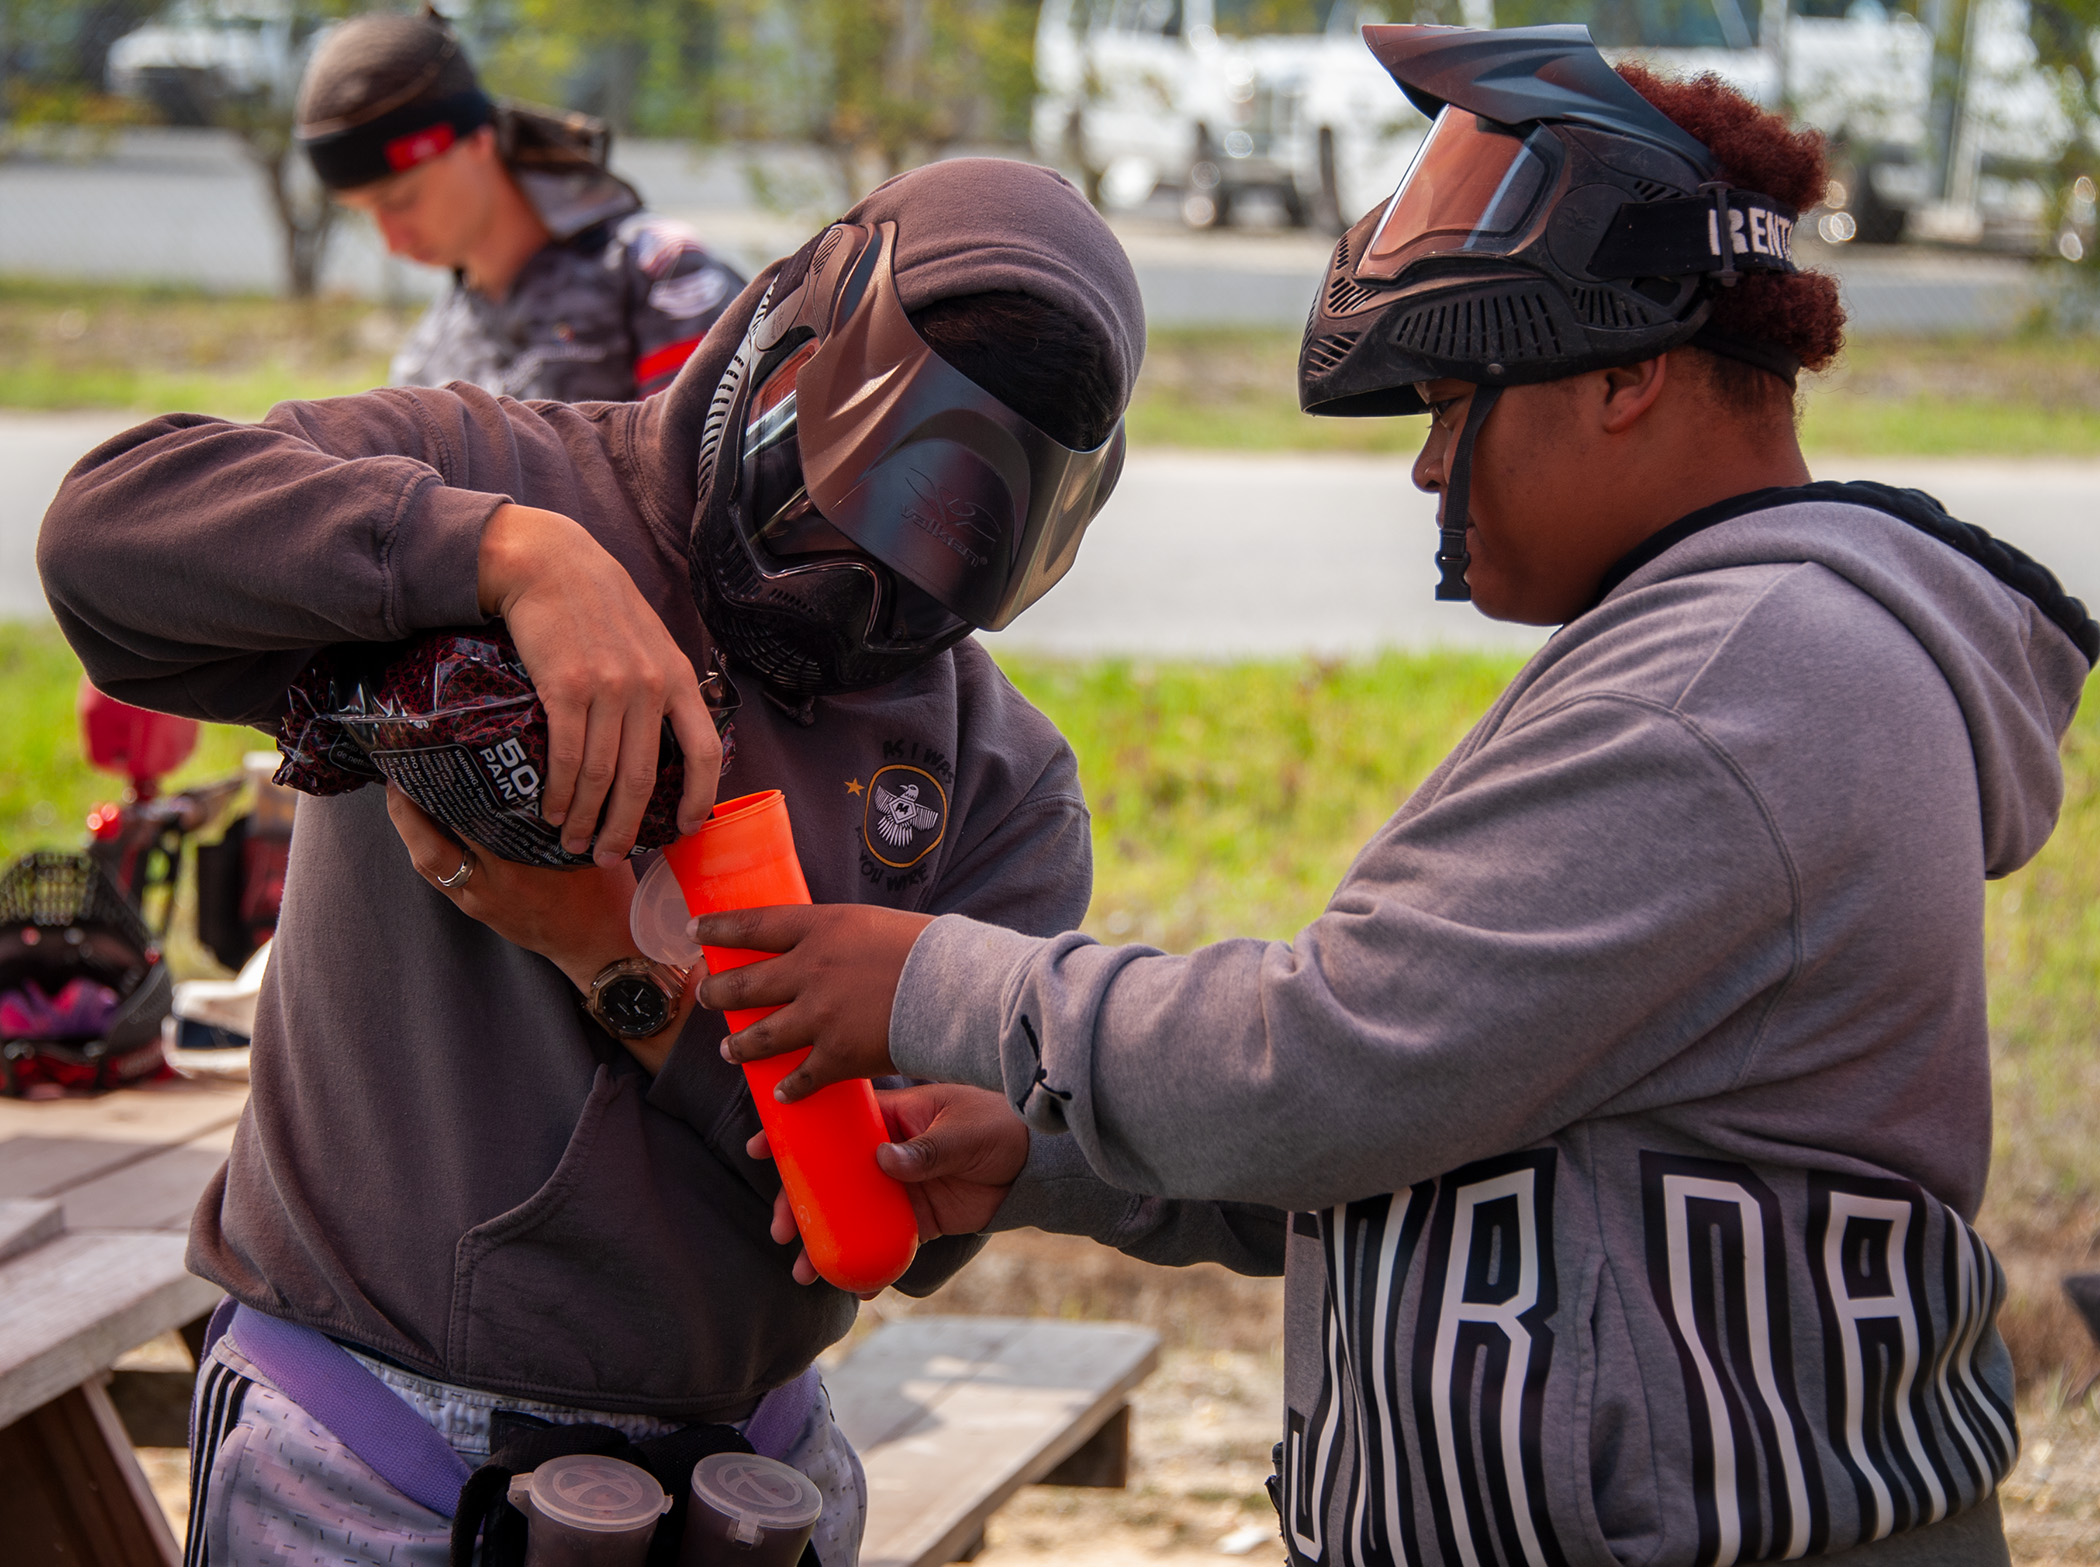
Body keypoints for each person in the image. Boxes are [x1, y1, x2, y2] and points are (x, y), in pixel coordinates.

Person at [683, 29, 2098, 1567]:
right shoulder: (1721, 644)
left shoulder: (1736, 682)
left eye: (1450, 401)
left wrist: (933, 980)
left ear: (1625, 375)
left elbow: (1328, 1061)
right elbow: (1462, 1107)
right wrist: (1051, 1158)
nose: (1431, 470)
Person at [38, 156, 1140, 1567]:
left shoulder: (995, 777)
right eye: (821, 529)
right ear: (776, 355)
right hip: (367, 1454)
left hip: (746, 1481)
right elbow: (104, 537)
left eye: (915, 594)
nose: (848, 605)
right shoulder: (487, 472)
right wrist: (502, 561)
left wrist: (615, 959)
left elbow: (909, 1227)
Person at [297, 8, 745, 401]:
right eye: (364, 212)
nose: (391, 241)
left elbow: (708, 480)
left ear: (477, 140)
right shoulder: (425, 365)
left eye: (400, 199)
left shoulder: (658, 274)